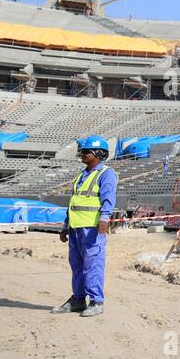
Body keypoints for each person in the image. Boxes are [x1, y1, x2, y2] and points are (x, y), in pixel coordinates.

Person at [52, 136, 118, 318]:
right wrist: (66, 226)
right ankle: (78, 300)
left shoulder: (106, 174)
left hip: (92, 228)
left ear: (98, 153)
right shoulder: (82, 175)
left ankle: (96, 301)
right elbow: (74, 202)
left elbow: (108, 198)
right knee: (77, 265)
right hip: (75, 227)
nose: (82, 154)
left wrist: (105, 218)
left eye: (86, 151)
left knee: (93, 265)